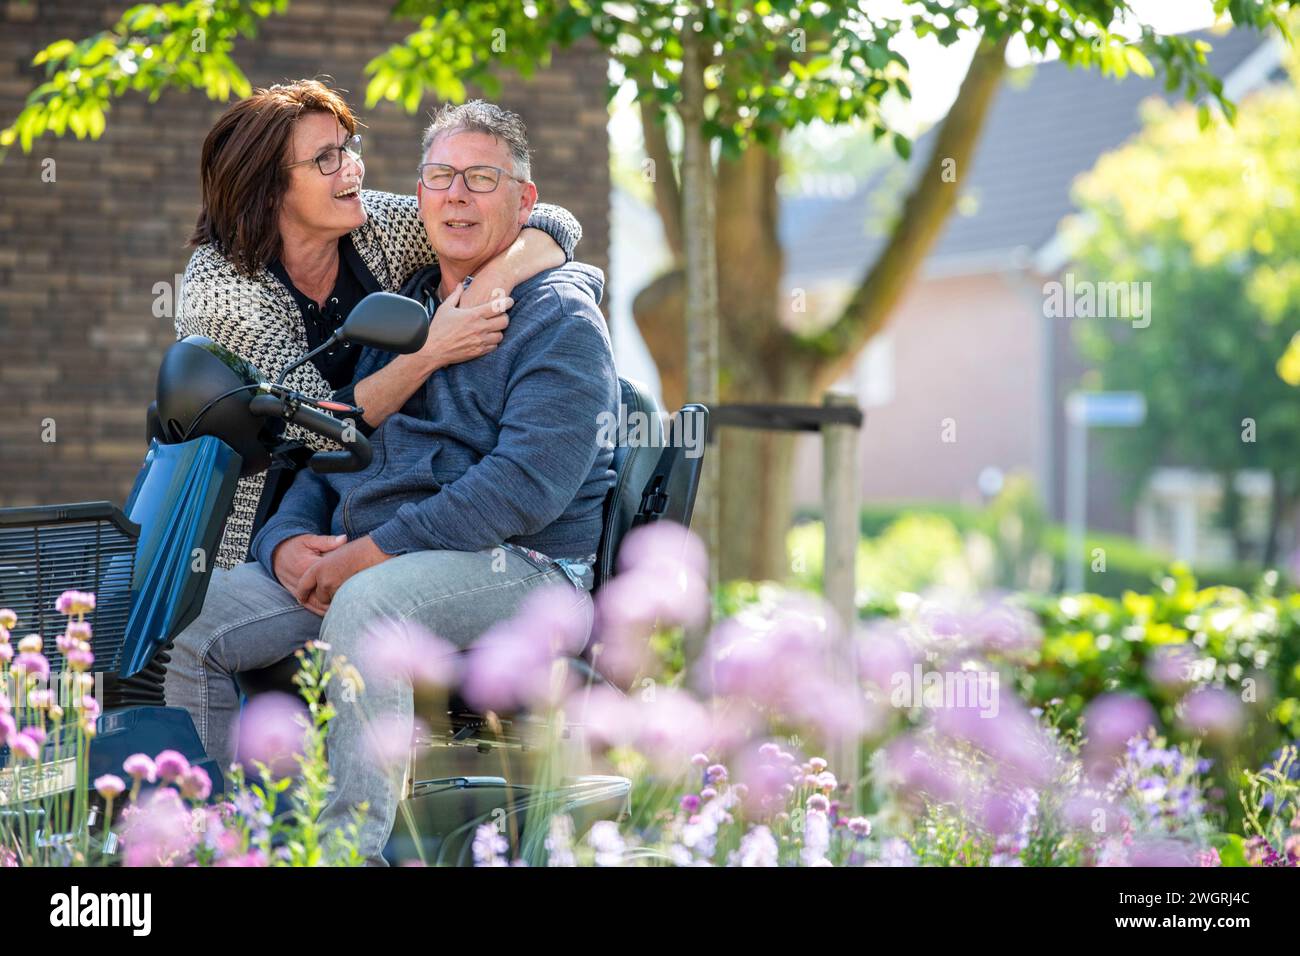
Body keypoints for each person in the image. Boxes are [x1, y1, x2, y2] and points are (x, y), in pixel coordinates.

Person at [163, 100, 619, 864]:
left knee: (372, 608)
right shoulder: (400, 309)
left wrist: (364, 556)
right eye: (440, 177)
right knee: (190, 623)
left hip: (524, 565)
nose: (456, 196)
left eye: (482, 178)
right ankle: (211, 845)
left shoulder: (560, 319)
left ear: (524, 201)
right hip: (380, 554)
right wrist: (283, 547)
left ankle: (346, 851)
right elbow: (329, 443)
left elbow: (523, 489)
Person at [175, 79, 583, 568]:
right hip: (249, 529)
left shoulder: (375, 230)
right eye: (326, 158)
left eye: (349, 148)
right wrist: (432, 349)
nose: (353, 167)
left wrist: (488, 286)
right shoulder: (221, 287)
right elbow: (319, 428)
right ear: (267, 189)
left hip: (362, 509)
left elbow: (547, 220)